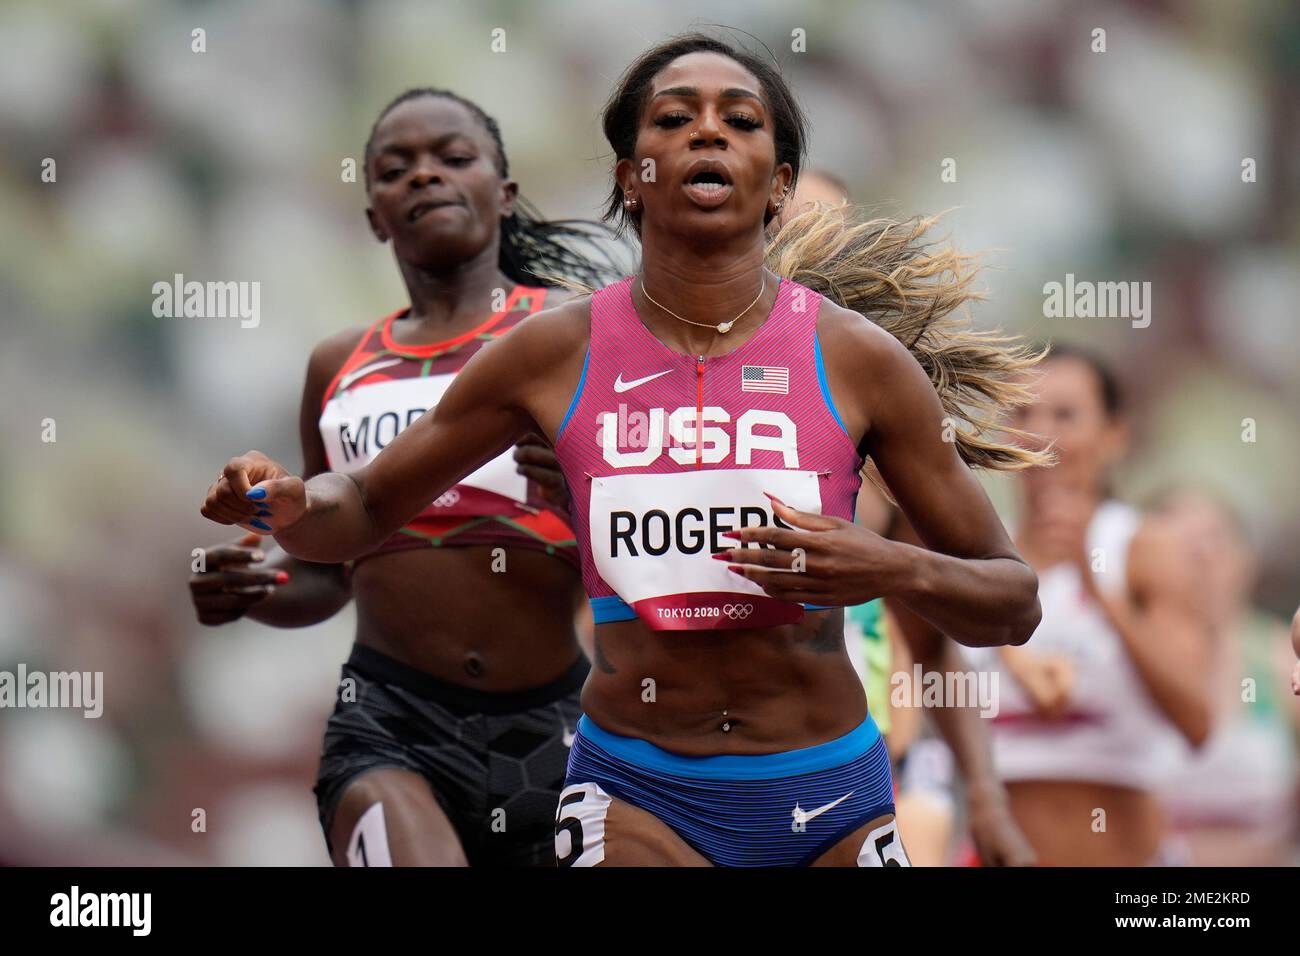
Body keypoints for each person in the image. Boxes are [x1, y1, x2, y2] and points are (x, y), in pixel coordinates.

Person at [201, 34, 1046, 867]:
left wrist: (887, 568)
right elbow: (364, 508)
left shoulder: (858, 359)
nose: (707, 133)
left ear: (779, 184)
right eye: (674, 119)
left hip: (829, 797)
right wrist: (292, 502)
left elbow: (1012, 601)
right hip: (639, 793)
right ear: (629, 177)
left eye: (740, 121)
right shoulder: (551, 353)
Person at [189, 88, 619, 867]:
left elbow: (655, 542)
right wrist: (263, 586)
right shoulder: (338, 364)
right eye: (396, 169)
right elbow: (332, 565)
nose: (425, 177)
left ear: (505, 190)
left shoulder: (573, 334)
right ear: (374, 217)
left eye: (454, 159)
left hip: (557, 728)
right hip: (390, 720)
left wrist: (586, 485)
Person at [777, 169, 1036, 867]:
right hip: (690, 778)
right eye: (788, 228)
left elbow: (937, 635)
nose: (808, 258)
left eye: (830, 237)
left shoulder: (886, 429)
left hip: (866, 780)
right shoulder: (670, 407)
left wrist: (985, 795)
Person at [965, 343, 1214, 866]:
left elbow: (1198, 720)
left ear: (1114, 437)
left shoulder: (1145, 548)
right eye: (1023, 412)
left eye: (1066, 415)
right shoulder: (971, 562)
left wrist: (1098, 589)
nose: (1041, 433)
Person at [1153, 489, 1297, 865]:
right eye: (1184, 547)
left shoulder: (1283, 661)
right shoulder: (1128, 666)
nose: (1202, 561)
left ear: (1245, 561)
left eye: (1214, 542)